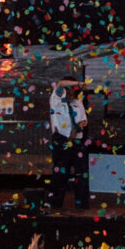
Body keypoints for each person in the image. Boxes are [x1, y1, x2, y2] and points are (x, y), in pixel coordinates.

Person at [45, 79, 89, 211]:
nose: (70, 93)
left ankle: (82, 204)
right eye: (68, 89)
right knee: (60, 170)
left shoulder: (78, 103)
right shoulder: (56, 100)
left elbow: (83, 120)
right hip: (62, 141)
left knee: (80, 173)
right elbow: (60, 84)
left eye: (73, 91)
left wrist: (78, 128)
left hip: (76, 141)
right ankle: (53, 202)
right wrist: (78, 83)